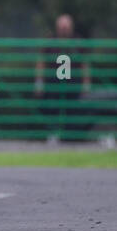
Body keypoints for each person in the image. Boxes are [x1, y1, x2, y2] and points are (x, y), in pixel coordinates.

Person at [35, 14, 91, 142]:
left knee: (73, 110)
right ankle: (52, 134)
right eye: (62, 27)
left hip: (73, 83)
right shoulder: (50, 42)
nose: (64, 30)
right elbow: (41, 62)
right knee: (51, 108)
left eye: (66, 27)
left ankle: (70, 136)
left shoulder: (78, 42)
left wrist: (86, 83)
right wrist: (39, 82)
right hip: (54, 82)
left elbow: (84, 64)